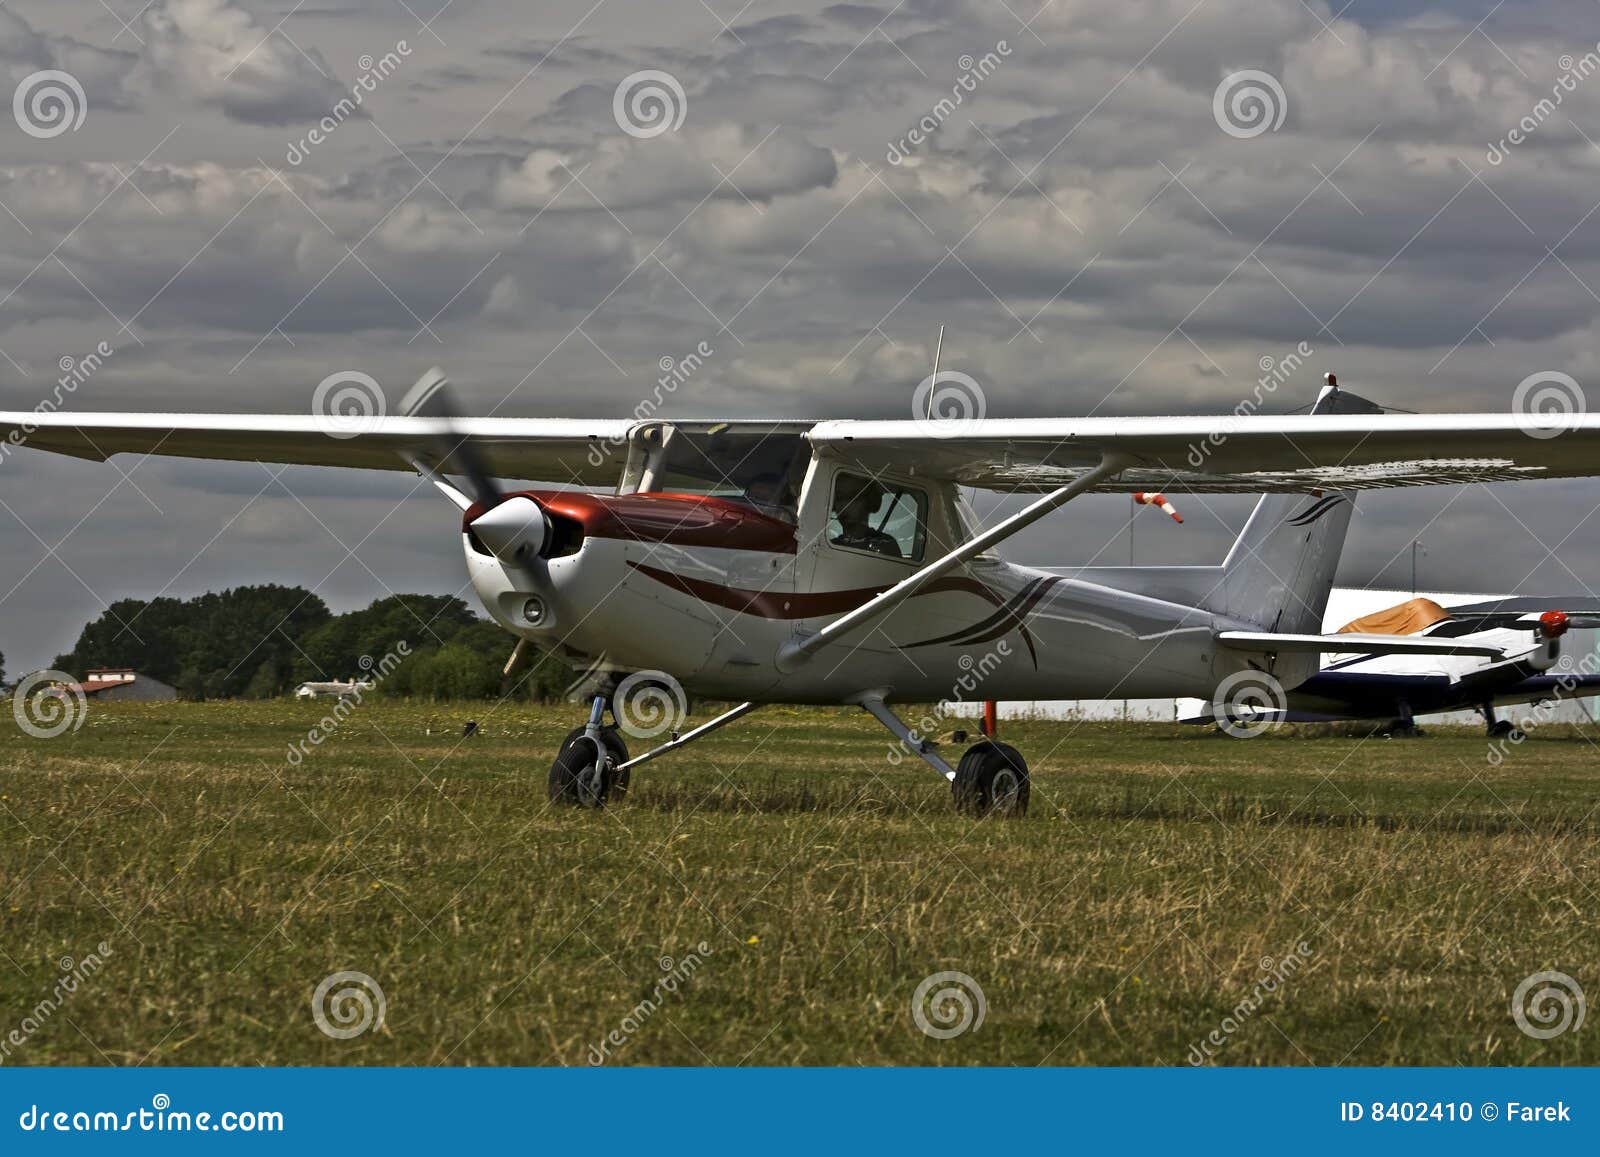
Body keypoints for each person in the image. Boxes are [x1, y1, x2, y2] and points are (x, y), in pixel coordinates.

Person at [831, 476, 902, 557]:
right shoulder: (828, 546)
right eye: (839, 497)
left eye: (854, 497)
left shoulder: (887, 545)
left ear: (869, 500)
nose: (845, 505)